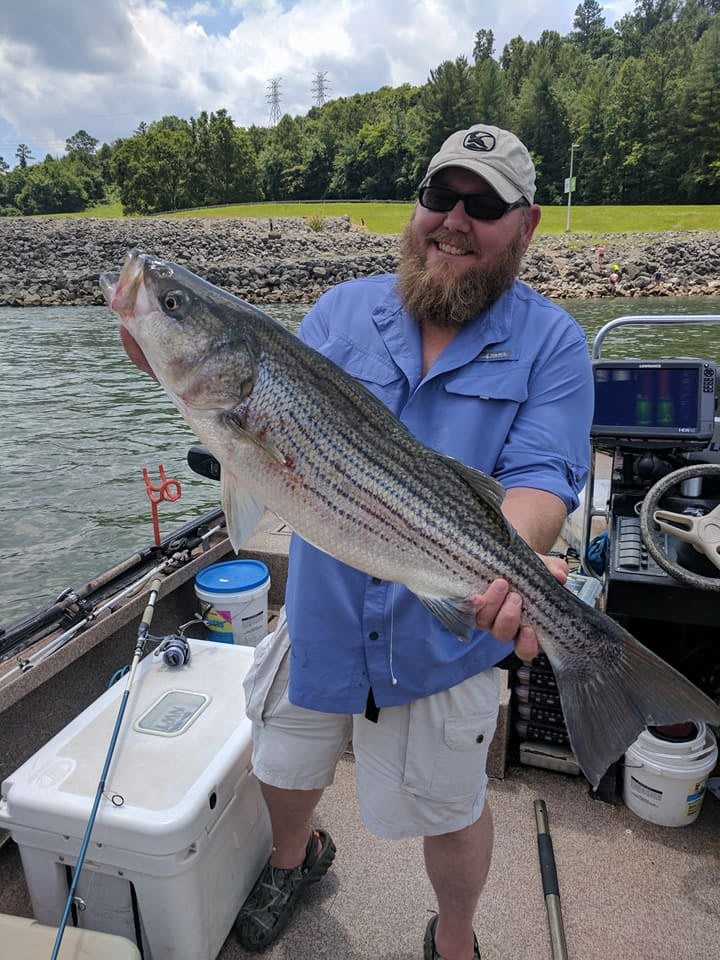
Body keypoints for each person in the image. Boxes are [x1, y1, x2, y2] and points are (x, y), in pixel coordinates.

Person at [122, 123, 594, 960]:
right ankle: (292, 859)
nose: (453, 219)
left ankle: (453, 936)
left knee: (450, 810)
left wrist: (509, 569)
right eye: (438, 196)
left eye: (482, 205)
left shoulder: (553, 342)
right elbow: (261, 432)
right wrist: (162, 344)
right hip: (322, 615)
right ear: (416, 209)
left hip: (443, 635)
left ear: (526, 227)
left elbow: (542, 481)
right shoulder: (341, 310)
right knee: (280, 763)